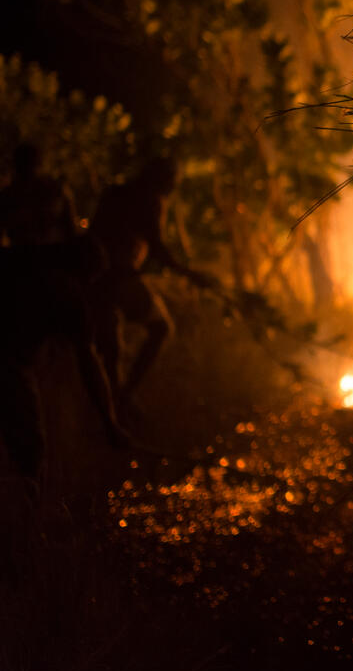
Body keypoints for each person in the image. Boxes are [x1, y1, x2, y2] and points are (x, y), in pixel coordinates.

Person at [0, 236, 128, 488]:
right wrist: (110, 423)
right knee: (30, 454)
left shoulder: (18, 257)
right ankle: (25, 506)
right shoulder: (67, 291)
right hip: (8, 364)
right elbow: (89, 362)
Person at [87, 156, 208, 417]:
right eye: (172, 180)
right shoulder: (151, 200)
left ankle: (114, 404)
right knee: (161, 327)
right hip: (119, 276)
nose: (173, 187)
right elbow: (157, 246)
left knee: (110, 345)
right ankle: (124, 396)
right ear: (162, 179)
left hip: (94, 274)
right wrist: (188, 273)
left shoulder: (115, 193)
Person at [0, 144, 77, 247]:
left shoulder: (57, 192)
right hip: (32, 253)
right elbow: (71, 231)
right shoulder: (8, 196)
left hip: (47, 252)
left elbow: (71, 230)